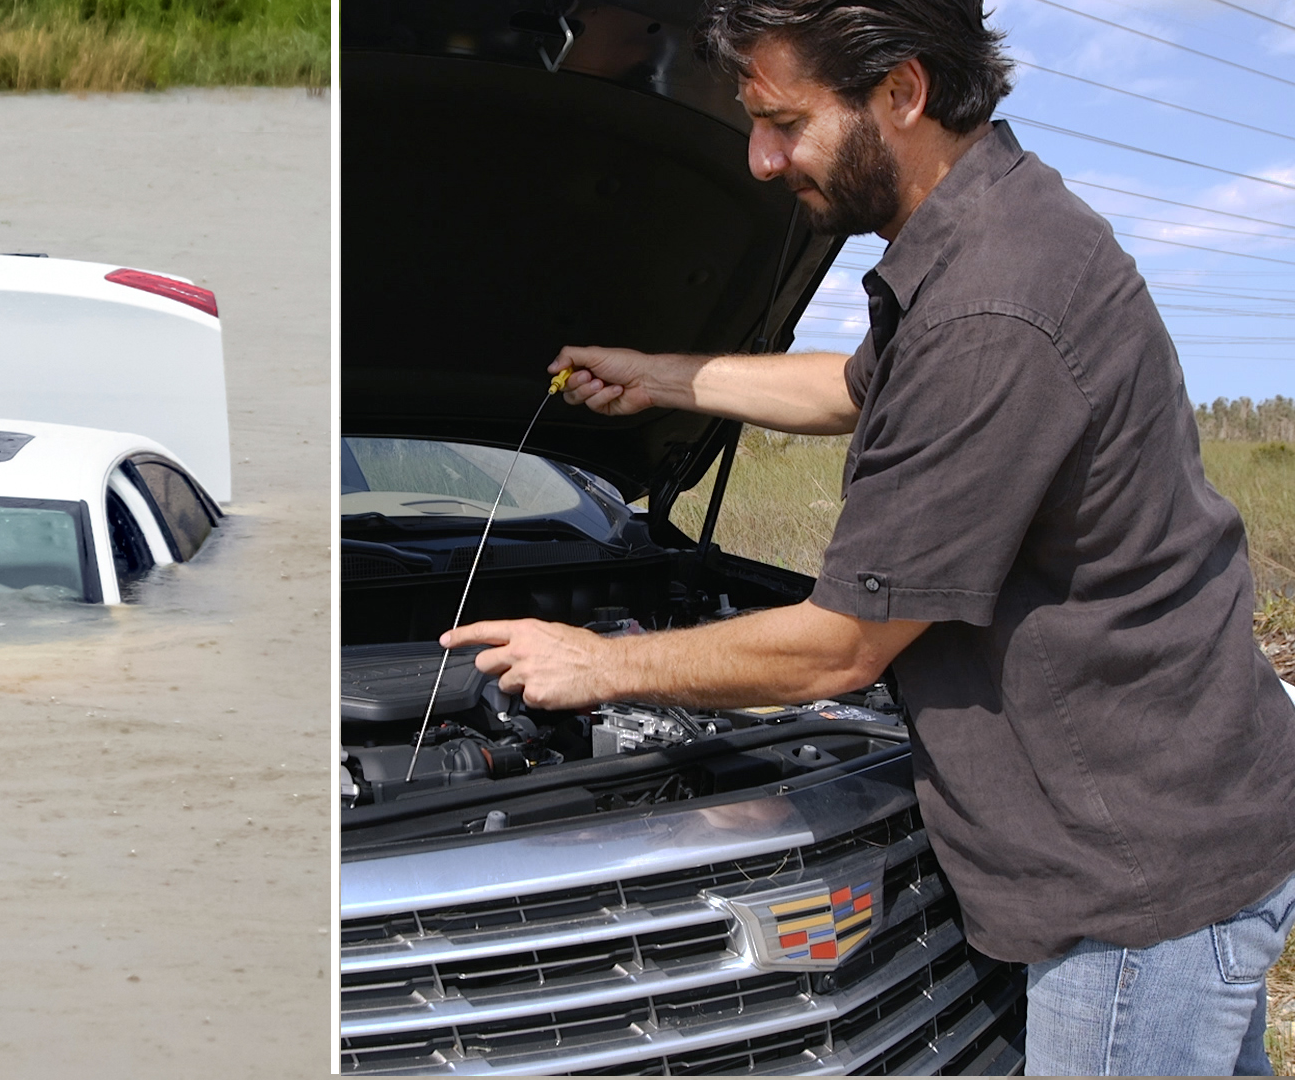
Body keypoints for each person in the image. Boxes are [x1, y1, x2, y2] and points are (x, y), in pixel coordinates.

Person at [438, 0, 1295, 1073]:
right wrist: (660, 374)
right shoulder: (994, 228)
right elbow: (855, 386)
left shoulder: (992, 305)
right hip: (1189, 810)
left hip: (1133, 880)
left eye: (785, 123)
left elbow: (842, 647)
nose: (756, 160)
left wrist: (599, 662)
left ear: (902, 91)